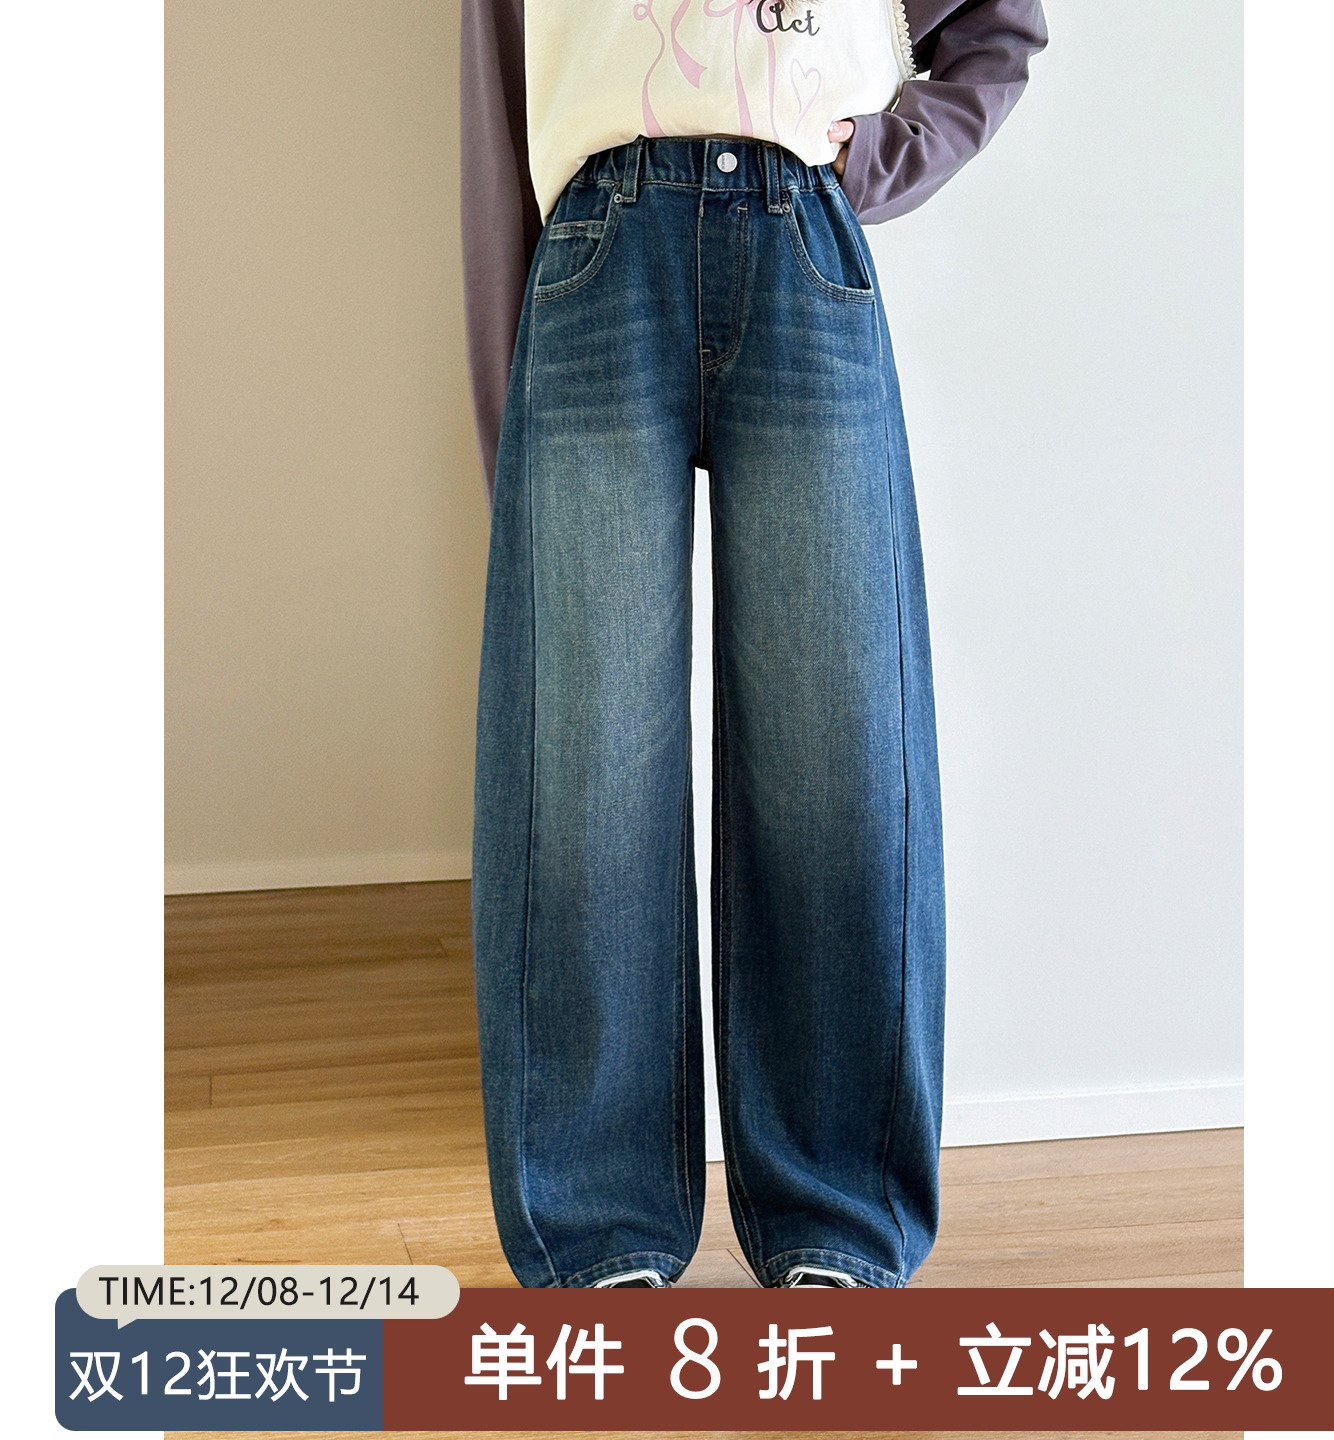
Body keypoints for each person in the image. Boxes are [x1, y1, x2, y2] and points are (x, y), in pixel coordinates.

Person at [460, 0, 1047, 1290]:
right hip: (596, 244)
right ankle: (598, 1227)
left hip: (801, 233)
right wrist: (505, 402)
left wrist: (885, 153)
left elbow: (998, 26)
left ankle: (838, 1219)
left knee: (840, 746)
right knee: (584, 765)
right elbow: (497, 93)